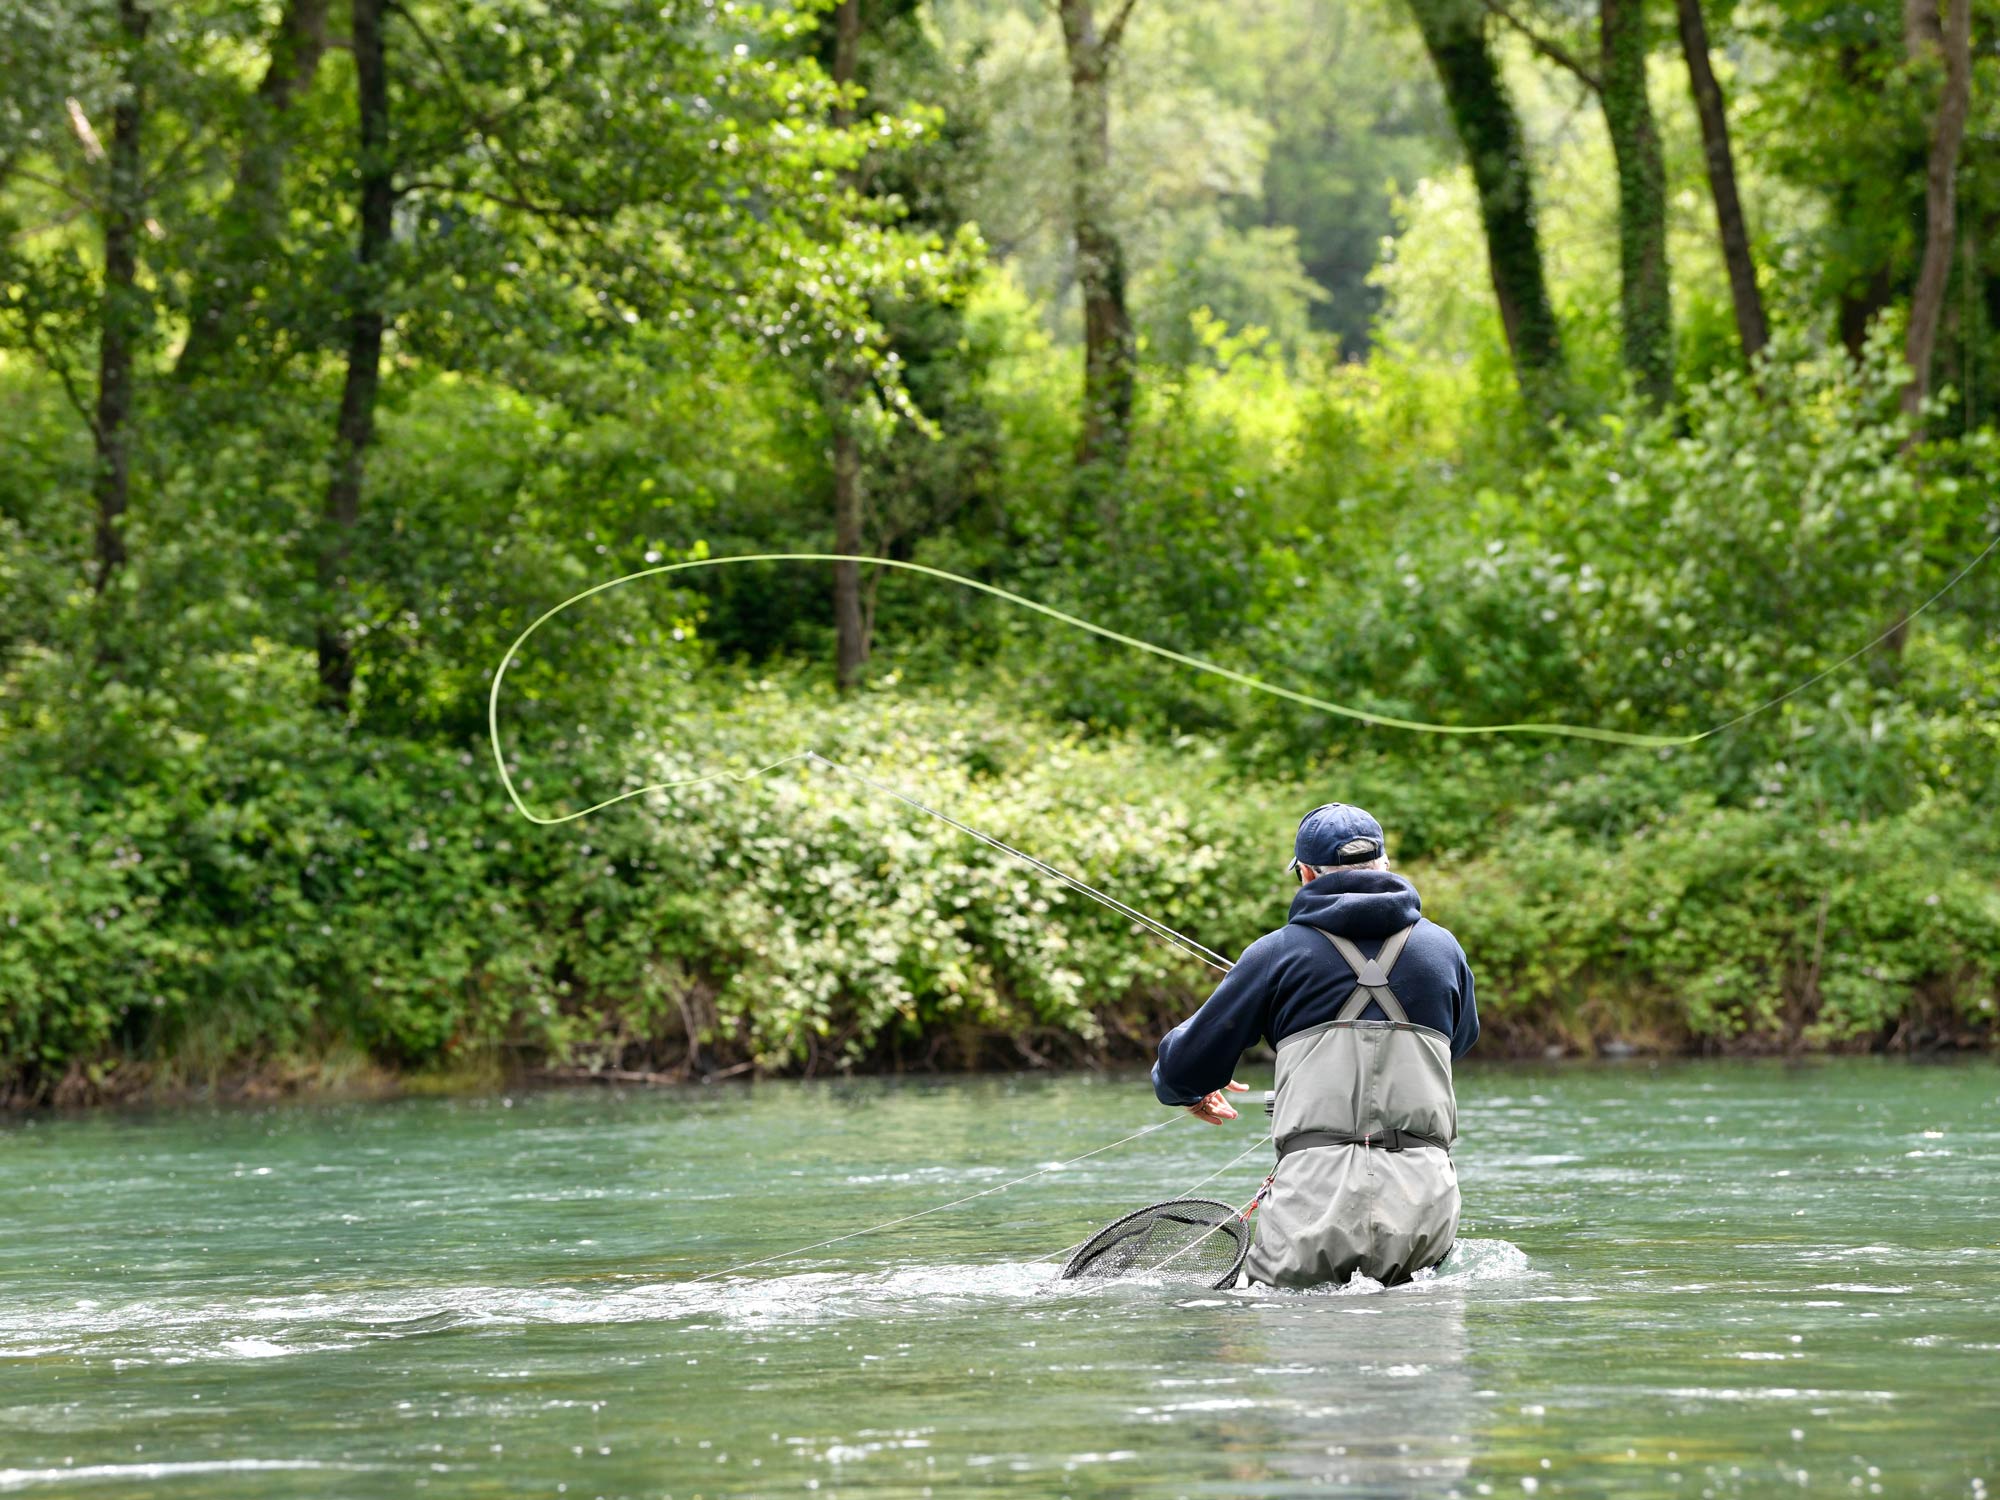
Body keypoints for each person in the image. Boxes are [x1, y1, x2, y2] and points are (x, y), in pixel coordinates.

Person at [1152, 802, 1478, 1287]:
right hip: (1425, 1197)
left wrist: (1194, 1090)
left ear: (1305, 873)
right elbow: (1459, 1043)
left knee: (1300, 1324)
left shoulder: (1276, 952)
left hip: (1313, 1200)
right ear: (1385, 864)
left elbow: (1181, 1070)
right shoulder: (1444, 949)